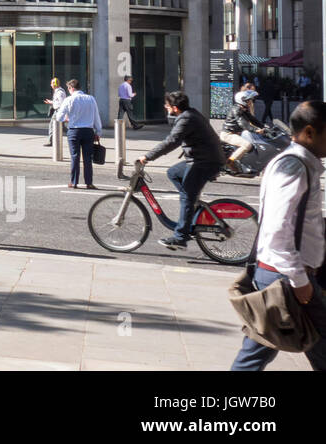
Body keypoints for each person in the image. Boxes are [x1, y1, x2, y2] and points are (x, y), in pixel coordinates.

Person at [231, 100, 326, 371]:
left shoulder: (300, 164)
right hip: (287, 277)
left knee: (256, 353)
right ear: (309, 132)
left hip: (280, 275)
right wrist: (300, 280)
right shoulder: (293, 166)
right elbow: (276, 227)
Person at [137, 91, 225, 250]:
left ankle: (180, 237)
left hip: (205, 161)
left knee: (186, 196)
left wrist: (148, 156)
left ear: (175, 108)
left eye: (167, 105)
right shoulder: (189, 114)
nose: (165, 107)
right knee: (173, 173)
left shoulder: (186, 119)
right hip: (201, 158)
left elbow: (172, 141)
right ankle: (193, 206)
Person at [55, 78, 102, 189]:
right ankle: (89, 183)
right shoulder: (91, 99)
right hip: (88, 131)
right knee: (87, 158)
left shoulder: (69, 100)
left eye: (68, 89)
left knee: (75, 157)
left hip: (74, 131)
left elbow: (59, 117)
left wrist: (67, 119)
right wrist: (98, 131)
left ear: (71, 88)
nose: (68, 91)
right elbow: (96, 117)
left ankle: (74, 182)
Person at [223, 87, 270, 171]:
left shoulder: (243, 109)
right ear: (243, 100)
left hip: (236, 133)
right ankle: (230, 162)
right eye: (249, 100)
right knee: (247, 145)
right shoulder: (236, 109)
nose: (251, 102)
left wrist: (264, 127)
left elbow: (253, 120)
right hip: (228, 134)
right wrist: (255, 130)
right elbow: (243, 123)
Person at [43, 76, 67, 148]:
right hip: (57, 111)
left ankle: (51, 141)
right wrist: (51, 102)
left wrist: (61, 113)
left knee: (51, 125)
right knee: (62, 127)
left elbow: (61, 103)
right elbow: (57, 102)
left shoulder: (60, 92)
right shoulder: (57, 92)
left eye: (52, 83)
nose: (51, 85)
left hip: (58, 111)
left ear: (55, 84)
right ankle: (73, 135)